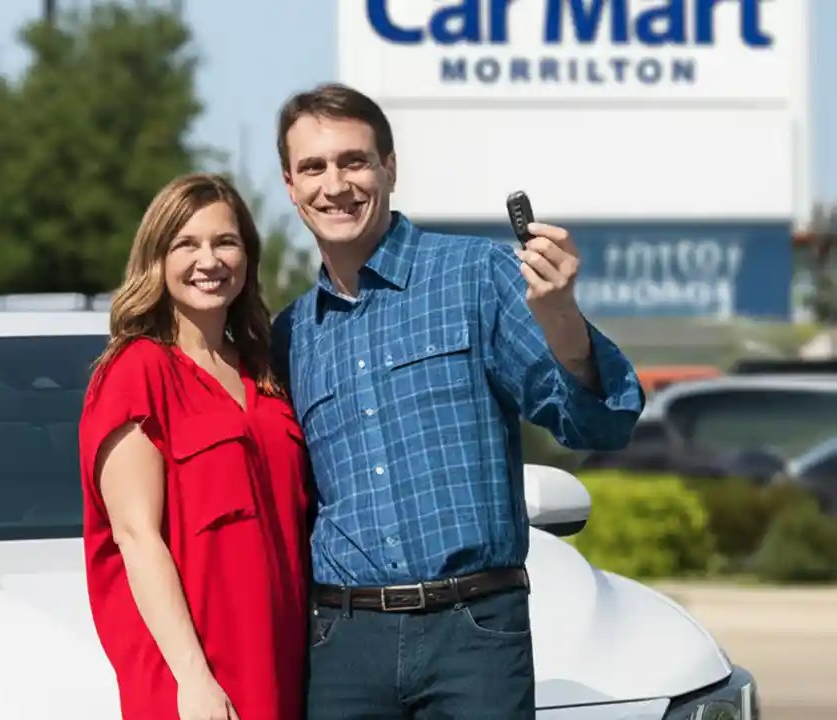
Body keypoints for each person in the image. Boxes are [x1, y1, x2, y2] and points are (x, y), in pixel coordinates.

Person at [269, 82, 645, 718]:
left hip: (473, 633)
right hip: (343, 640)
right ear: (290, 185)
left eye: (353, 161)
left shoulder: (476, 276)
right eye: (314, 167)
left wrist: (562, 320)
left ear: (389, 167)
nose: (335, 185)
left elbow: (598, 425)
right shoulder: (291, 334)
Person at [79, 172, 311, 720]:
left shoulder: (268, 375)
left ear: (248, 257)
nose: (209, 260)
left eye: (225, 242)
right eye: (186, 244)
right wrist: (192, 677)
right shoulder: (136, 373)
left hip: (283, 665)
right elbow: (136, 537)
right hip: (195, 676)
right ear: (156, 260)